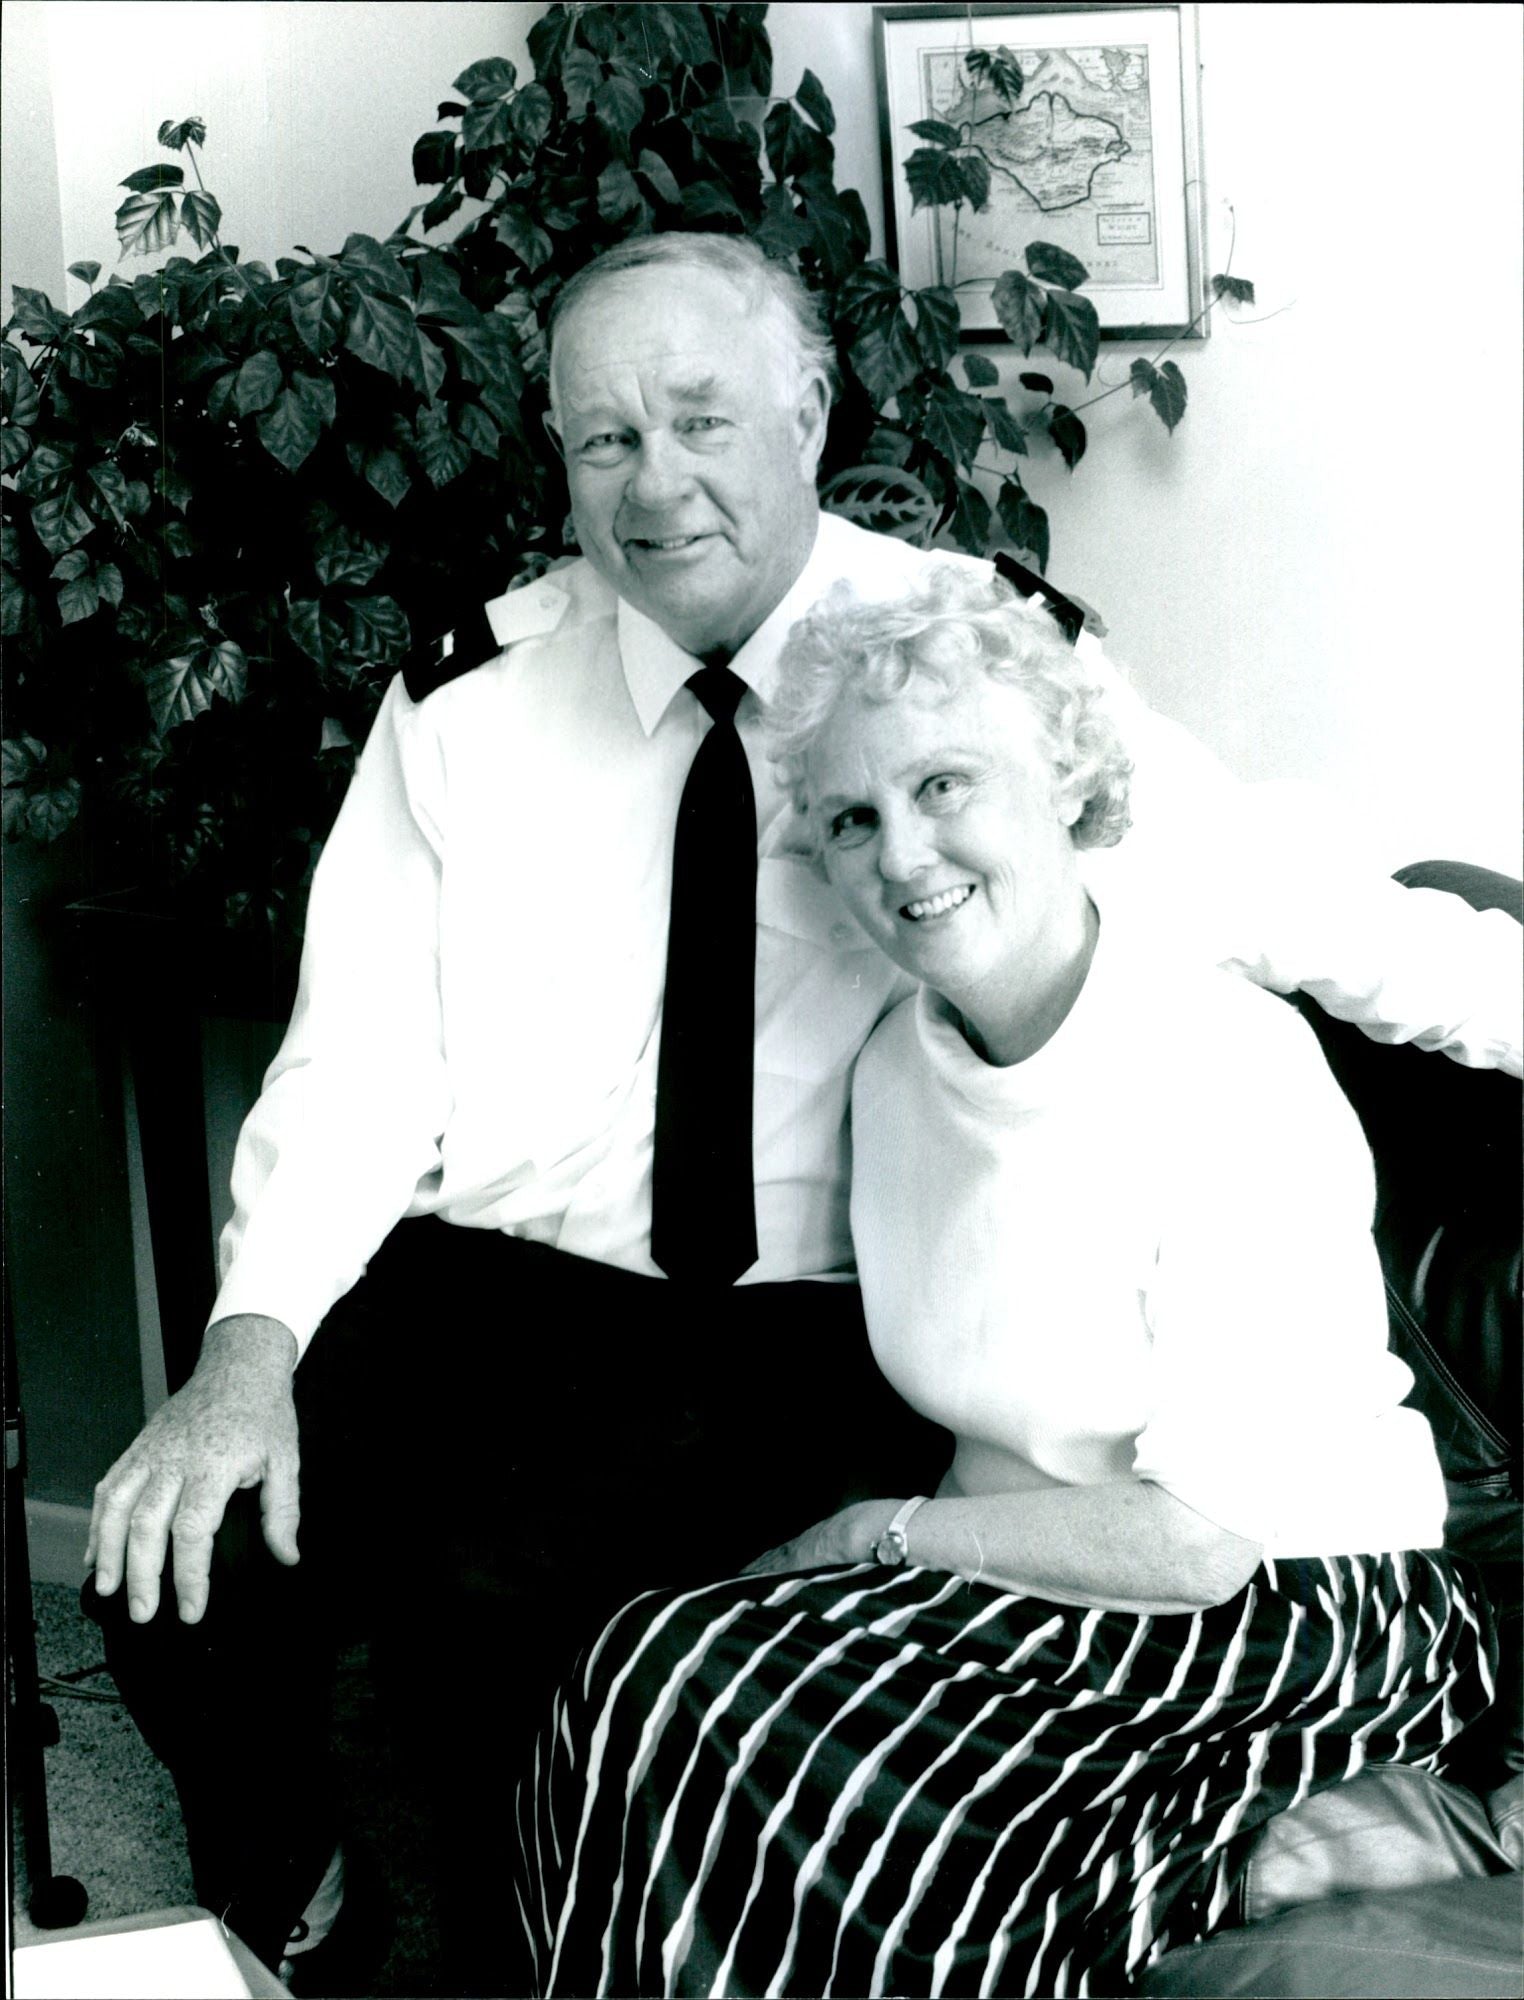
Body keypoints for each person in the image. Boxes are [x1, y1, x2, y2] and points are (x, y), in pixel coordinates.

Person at [80, 233, 1518, 1989]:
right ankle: (316, 1921)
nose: (656, 482)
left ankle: (443, 1957)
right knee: (176, 1563)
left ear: (810, 412)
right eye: (604, 440)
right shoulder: (465, 700)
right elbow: (355, 1061)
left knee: (487, 1630)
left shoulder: (958, 670)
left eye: (701, 419)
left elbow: (1314, 912)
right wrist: (249, 1353)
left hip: (793, 1329)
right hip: (498, 1282)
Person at [512, 567, 1497, 1999]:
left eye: (946, 786)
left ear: (1073, 792)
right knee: (648, 1678)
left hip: (1295, 1610)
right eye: (854, 820)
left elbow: (1203, 1541)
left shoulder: (1224, 1067)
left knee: (685, 1686)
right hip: (1044, 1597)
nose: (904, 856)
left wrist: (881, 1538)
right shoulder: (896, 1074)